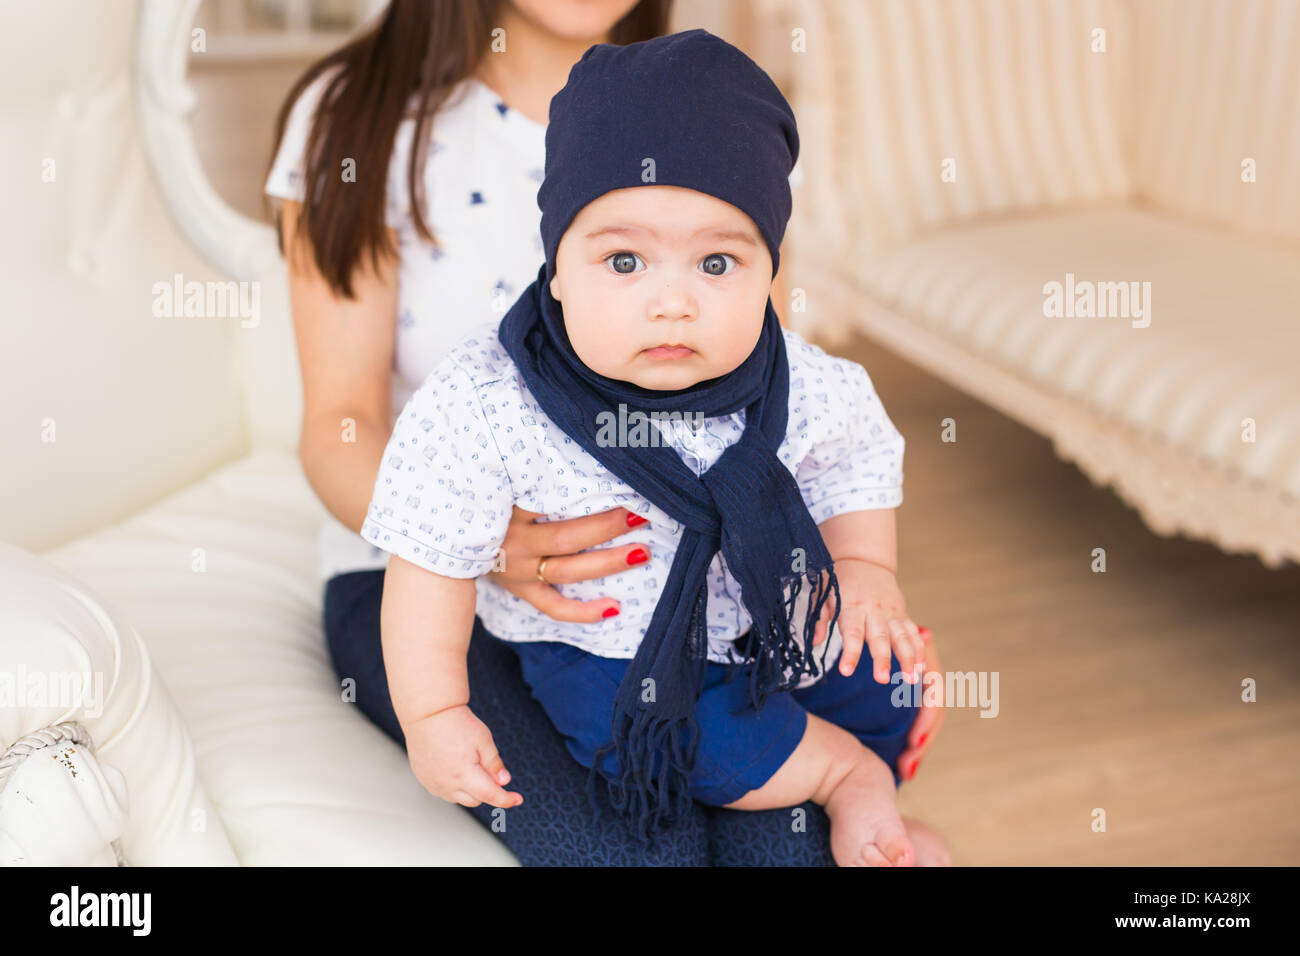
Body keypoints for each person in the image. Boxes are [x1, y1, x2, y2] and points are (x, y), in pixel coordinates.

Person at [266, 0, 947, 866]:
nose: (671, 296)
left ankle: (865, 785)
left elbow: (773, 401)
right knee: (630, 845)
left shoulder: (719, 106)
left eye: (713, 261)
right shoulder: (360, 119)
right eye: (624, 261)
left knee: (785, 843)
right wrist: (492, 546)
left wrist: (854, 574)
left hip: (706, 587)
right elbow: (338, 421)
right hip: (425, 572)